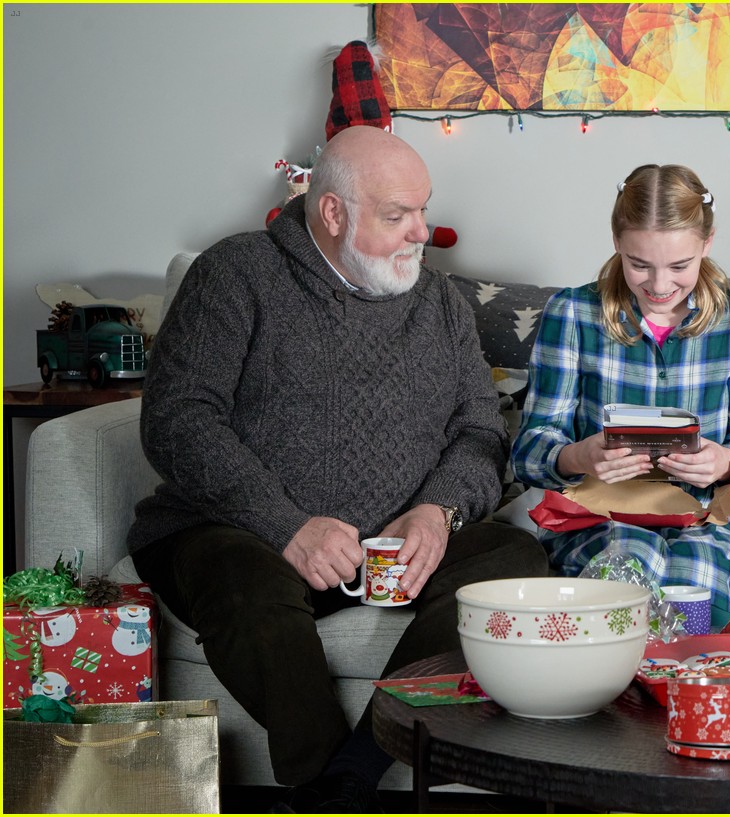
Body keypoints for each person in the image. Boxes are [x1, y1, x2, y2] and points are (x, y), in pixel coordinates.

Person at [127, 125, 547, 811]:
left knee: (515, 558)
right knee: (246, 586)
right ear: (332, 213)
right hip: (241, 533)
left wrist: (436, 512)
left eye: (423, 208)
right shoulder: (237, 274)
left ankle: (353, 771)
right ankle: (335, 784)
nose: (423, 231)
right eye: (397, 215)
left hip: (388, 553)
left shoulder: (440, 304)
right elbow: (177, 419)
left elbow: (480, 432)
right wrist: (287, 525)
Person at [510, 164, 730, 627]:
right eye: (639, 264)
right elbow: (528, 452)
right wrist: (578, 456)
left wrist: (727, 463)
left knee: (697, 569)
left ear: (706, 245)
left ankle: (684, 689)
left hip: (705, 520)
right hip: (602, 516)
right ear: (616, 241)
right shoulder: (573, 312)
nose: (659, 285)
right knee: (634, 554)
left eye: (679, 266)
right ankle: (617, 687)